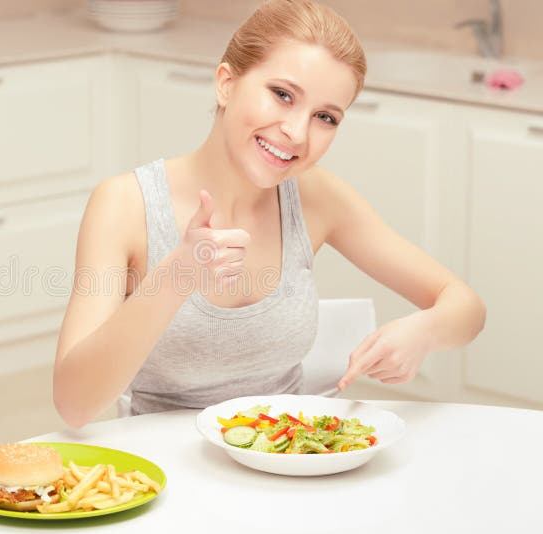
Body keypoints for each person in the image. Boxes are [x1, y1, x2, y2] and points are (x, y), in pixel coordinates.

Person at [53, 0, 486, 428]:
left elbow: (465, 306)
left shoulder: (317, 198)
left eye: (325, 117)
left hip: (284, 466)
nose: (297, 133)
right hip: (166, 474)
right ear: (226, 83)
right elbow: (74, 405)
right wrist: (176, 276)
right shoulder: (125, 205)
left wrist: (423, 332)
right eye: (282, 95)